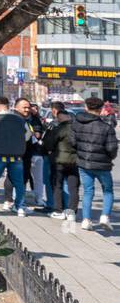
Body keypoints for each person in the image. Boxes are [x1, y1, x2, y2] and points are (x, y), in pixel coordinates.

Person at [74, 95, 117, 232]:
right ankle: (104, 216)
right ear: (101, 109)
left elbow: (72, 142)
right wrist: (110, 157)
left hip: (84, 163)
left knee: (88, 191)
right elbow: (112, 148)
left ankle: (86, 220)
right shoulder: (106, 127)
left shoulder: (77, 124)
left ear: (86, 108)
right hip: (102, 164)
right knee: (108, 190)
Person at [0, 96, 29, 216]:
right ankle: (20, 207)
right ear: (8, 105)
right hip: (16, 157)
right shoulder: (20, 120)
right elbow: (28, 135)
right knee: (19, 183)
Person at [41, 103, 78, 219]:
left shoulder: (58, 128)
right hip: (75, 162)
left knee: (57, 185)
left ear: (58, 117)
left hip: (59, 162)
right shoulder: (78, 129)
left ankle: (58, 210)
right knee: (73, 187)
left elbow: (48, 144)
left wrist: (48, 149)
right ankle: (71, 212)